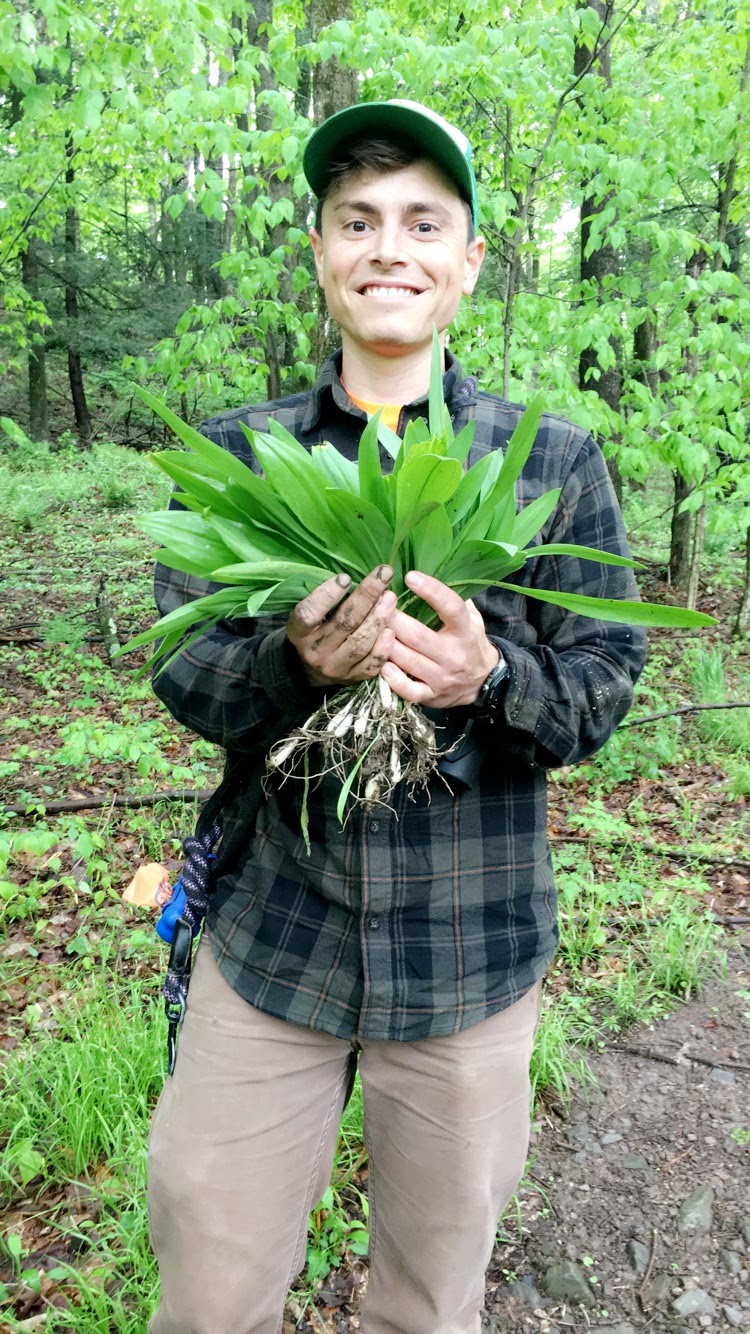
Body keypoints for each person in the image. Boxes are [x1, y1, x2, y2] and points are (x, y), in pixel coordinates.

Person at [147, 100, 647, 1334]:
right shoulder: (243, 456)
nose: (390, 247)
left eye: (425, 221)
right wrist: (295, 665)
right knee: (209, 1290)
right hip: (274, 941)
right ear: (319, 249)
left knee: (432, 1302)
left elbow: (604, 685)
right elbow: (184, 674)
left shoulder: (552, 462)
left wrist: (490, 680)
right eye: (357, 219)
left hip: (471, 953)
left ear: (469, 260)